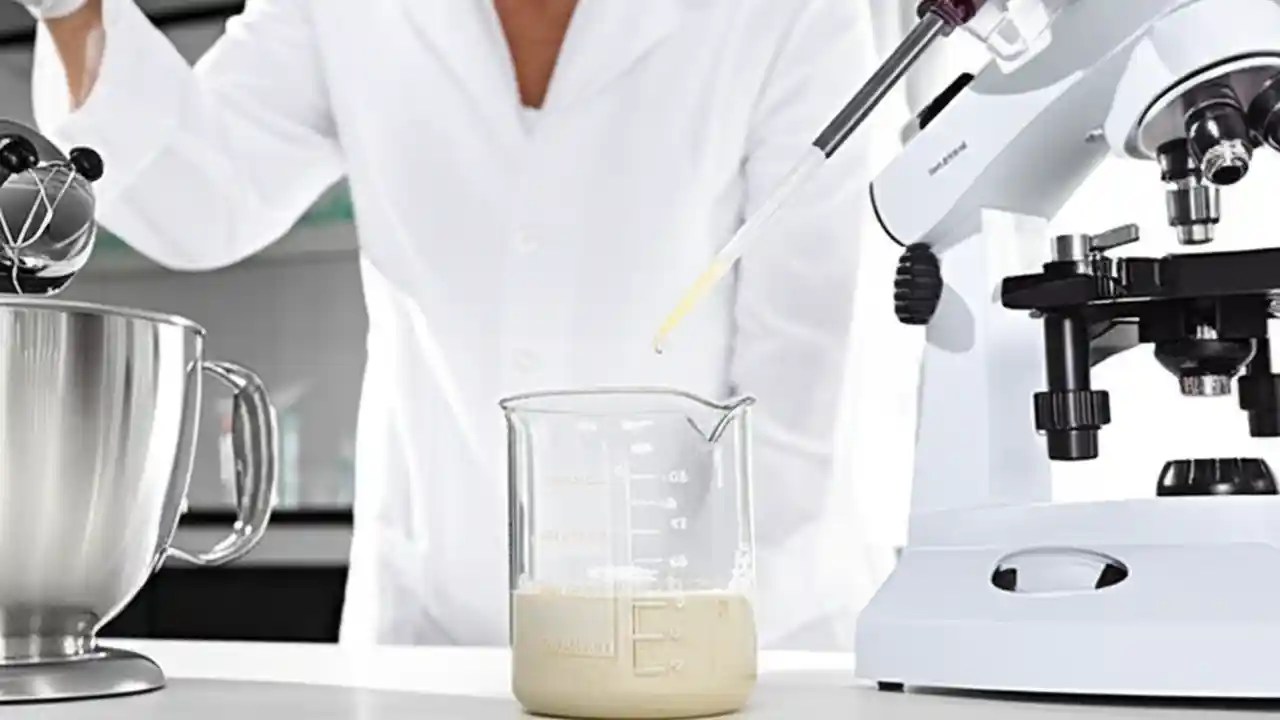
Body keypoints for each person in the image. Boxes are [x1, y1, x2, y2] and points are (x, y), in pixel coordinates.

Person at [21, 0, 880, 649]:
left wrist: (692, 627)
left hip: (736, 624)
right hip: (430, 619)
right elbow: (201, 197)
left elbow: (804, 359)